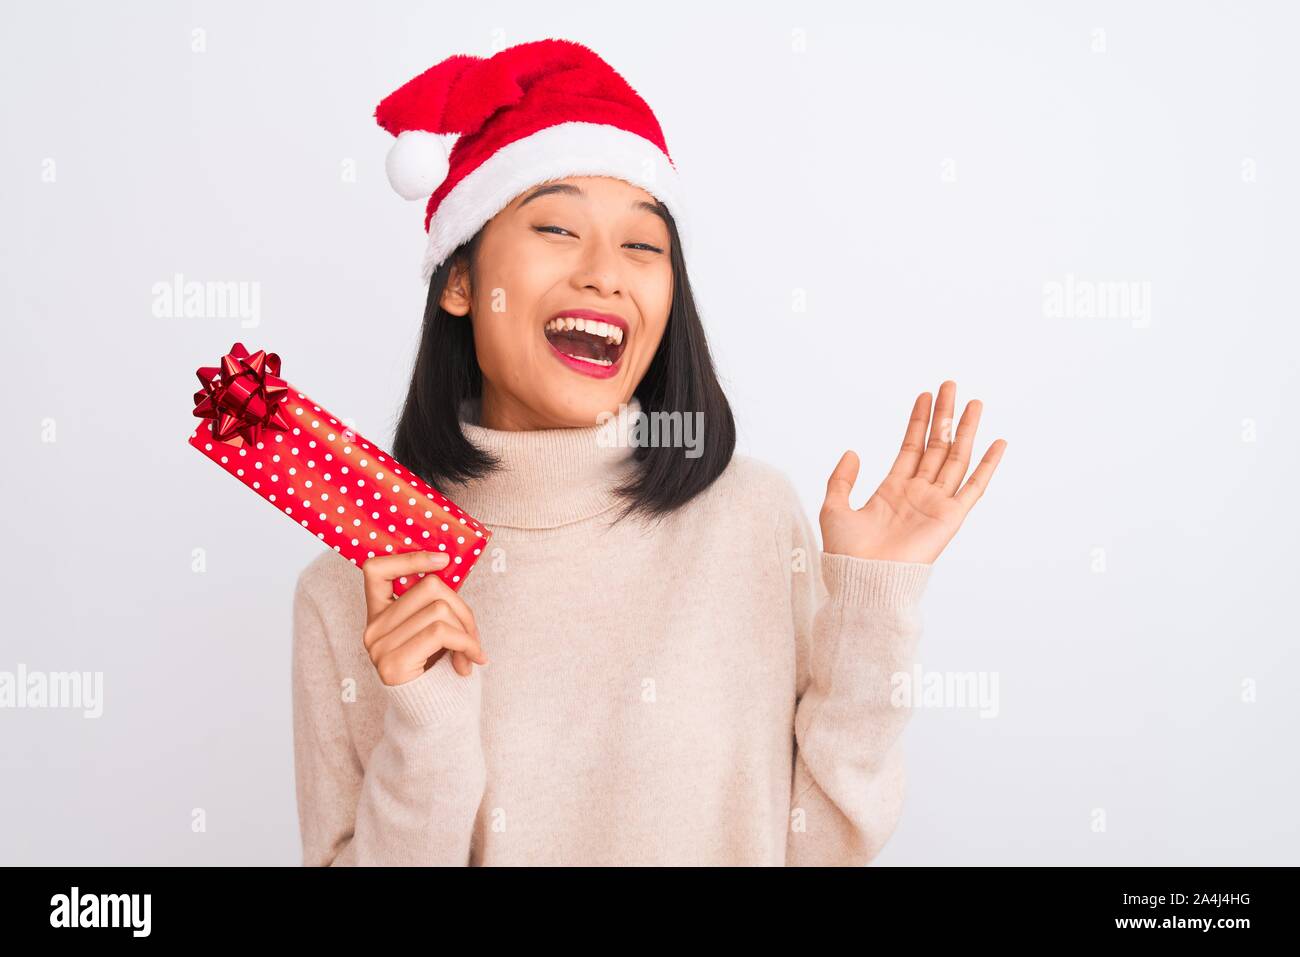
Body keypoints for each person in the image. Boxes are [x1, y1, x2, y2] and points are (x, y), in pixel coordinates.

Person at [291, 38, 1006, 866]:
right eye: (557, 227)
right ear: (459, 281)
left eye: (643, 246)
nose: (607, 275)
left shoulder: (752, 520)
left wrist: (872, 612)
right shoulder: (355, 583)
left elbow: (822, 849)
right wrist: (427, 723)